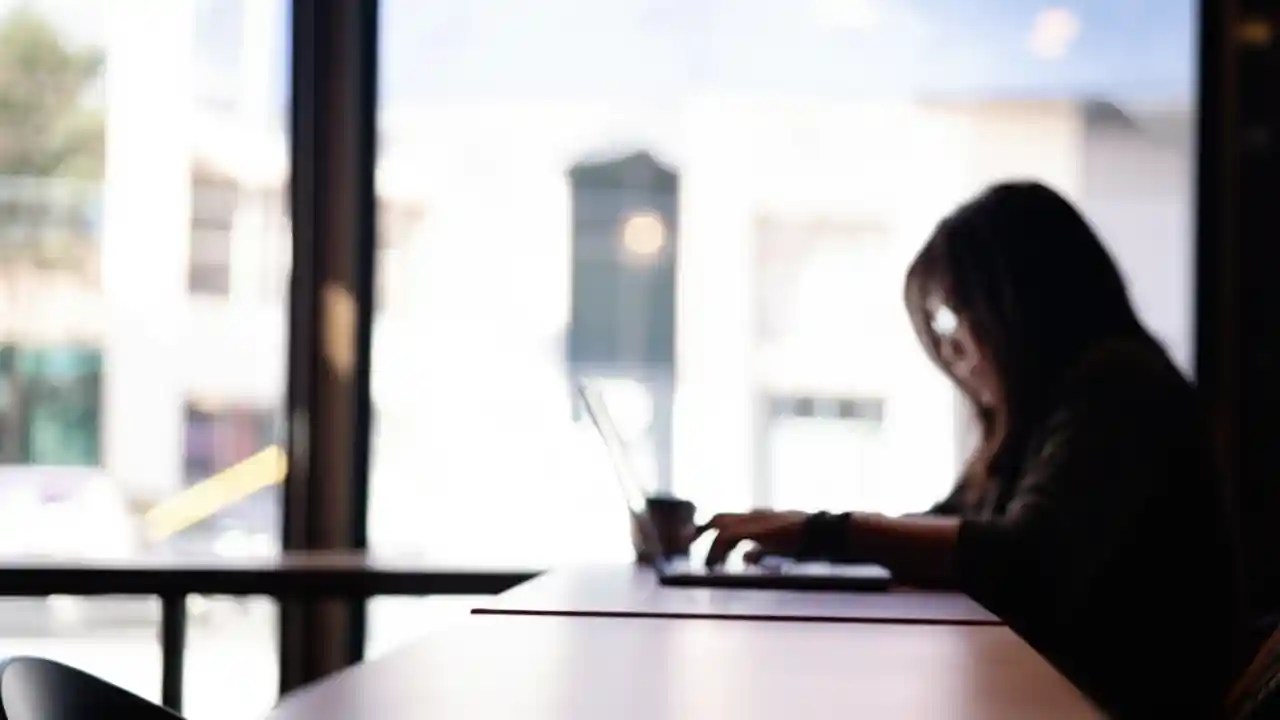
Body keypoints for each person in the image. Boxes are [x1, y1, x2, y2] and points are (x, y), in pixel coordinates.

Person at [696, 182, 1246, 718]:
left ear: (1025, 300)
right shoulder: (1038, 416)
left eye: (950, 318)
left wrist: (824, 532)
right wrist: (805, 543)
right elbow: (952, 525)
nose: (950, 350)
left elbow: (1024, 562)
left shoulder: (1119, 387)